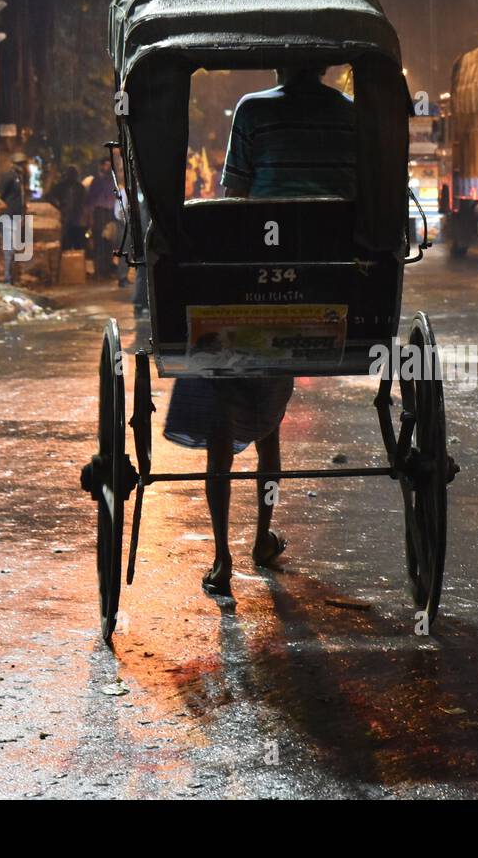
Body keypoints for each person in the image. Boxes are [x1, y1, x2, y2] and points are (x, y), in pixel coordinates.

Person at [163, 66, 356, 596]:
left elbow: (236, 202)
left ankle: (223, 556)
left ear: (280, 62)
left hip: (255, 289)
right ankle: (262, 537)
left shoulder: (253, 110)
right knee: (269, 417)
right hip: (326, 284)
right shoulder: (349, 114)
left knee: (223, 422)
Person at [0, 153, 30, 284]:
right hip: (8, 217)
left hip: (16, 218)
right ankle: (7, 280)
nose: (24, 167)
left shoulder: (19, 178)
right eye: (22, 164)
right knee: (9, 250)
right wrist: (3, 208)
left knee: (14, 249)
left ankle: (12, 278)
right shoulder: (9, 177)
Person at [85, 157, 118, 282]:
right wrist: (91, 218)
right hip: (99, 214)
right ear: (101, 166)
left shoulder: (112, 181)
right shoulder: (96, 181)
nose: (108, 167)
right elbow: (90, 202)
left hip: (110, 214)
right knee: (98, 244)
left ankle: (107, 271)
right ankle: (99, 272)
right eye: (106, 165)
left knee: (109, 244)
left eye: (109, 165)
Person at [45, 165, 87, 251]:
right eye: (70, 174)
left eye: (73, 174)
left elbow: (85, 202)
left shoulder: (80, 187)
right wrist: (59, 206)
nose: (72, 176)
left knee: (77, 245)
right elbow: (49, 196)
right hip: (65, 218)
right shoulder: (61, 186)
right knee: (65, 244)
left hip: (77, 219)